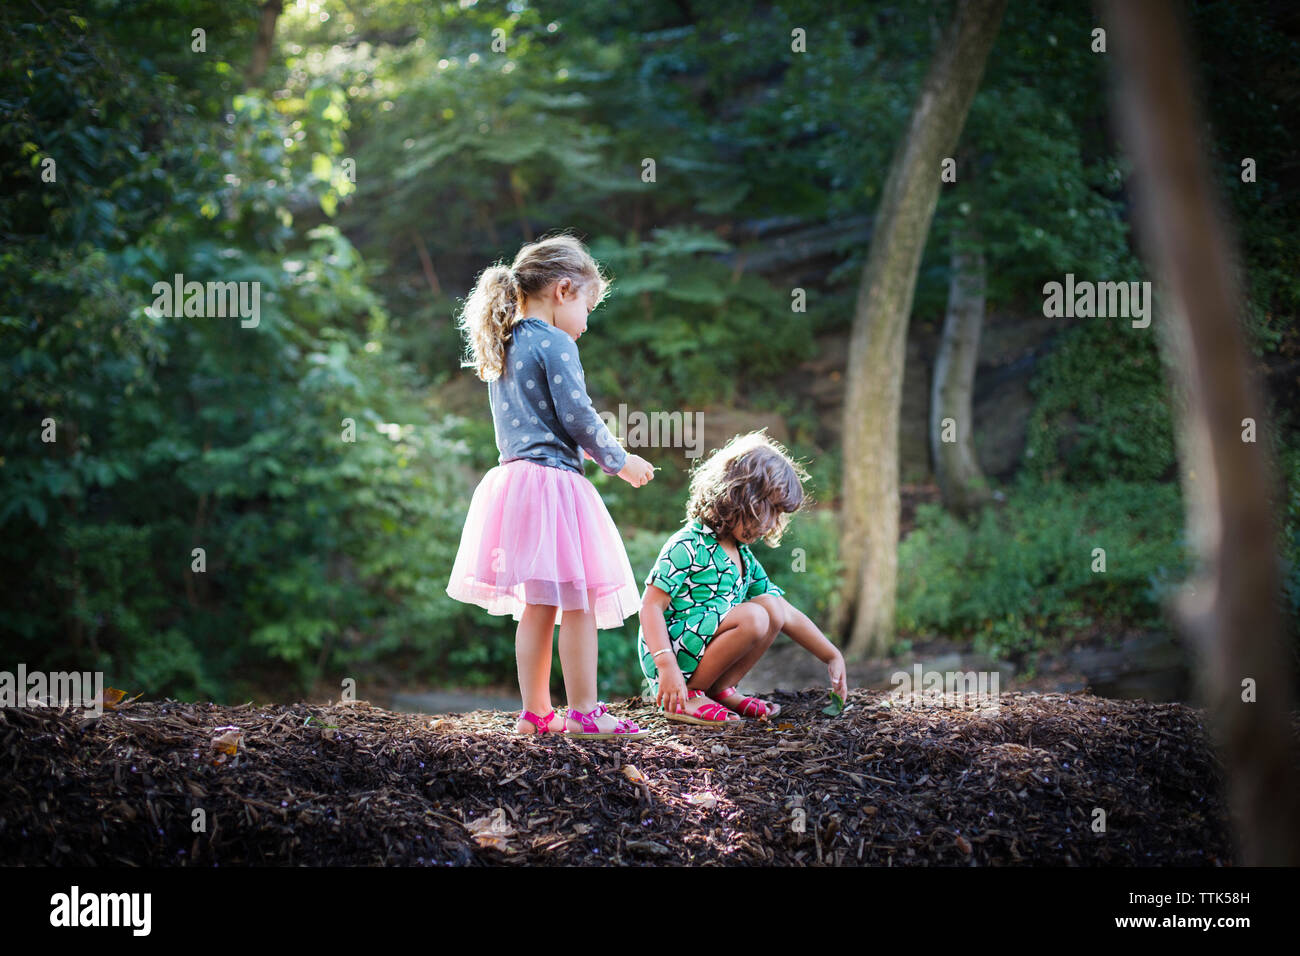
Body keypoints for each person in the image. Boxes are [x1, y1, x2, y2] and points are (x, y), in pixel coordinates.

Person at [446, 233, 655, 738]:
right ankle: (584, 711)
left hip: (514, 483)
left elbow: (545, 419)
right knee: (579, 600)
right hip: (554, 485)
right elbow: (579, 417)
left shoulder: (506, 341)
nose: (585, 325)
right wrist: (618, 460)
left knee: (539, 604)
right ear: (564, 290)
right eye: (587, 306)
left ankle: (536, 713)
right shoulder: (554, 341)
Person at [637, 431, 848, 724]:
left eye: (779, 515)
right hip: (671, 655)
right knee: (754, 617)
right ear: (738, 496)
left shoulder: (742, 556)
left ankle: (720, 690)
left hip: (695, 651)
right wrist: (666, 666)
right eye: (769, 510)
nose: (772, 524)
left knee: (770, 609)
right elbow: (650, 607)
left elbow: (784, 612)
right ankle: (690, 695)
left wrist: (831, 655)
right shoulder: (687, 544)